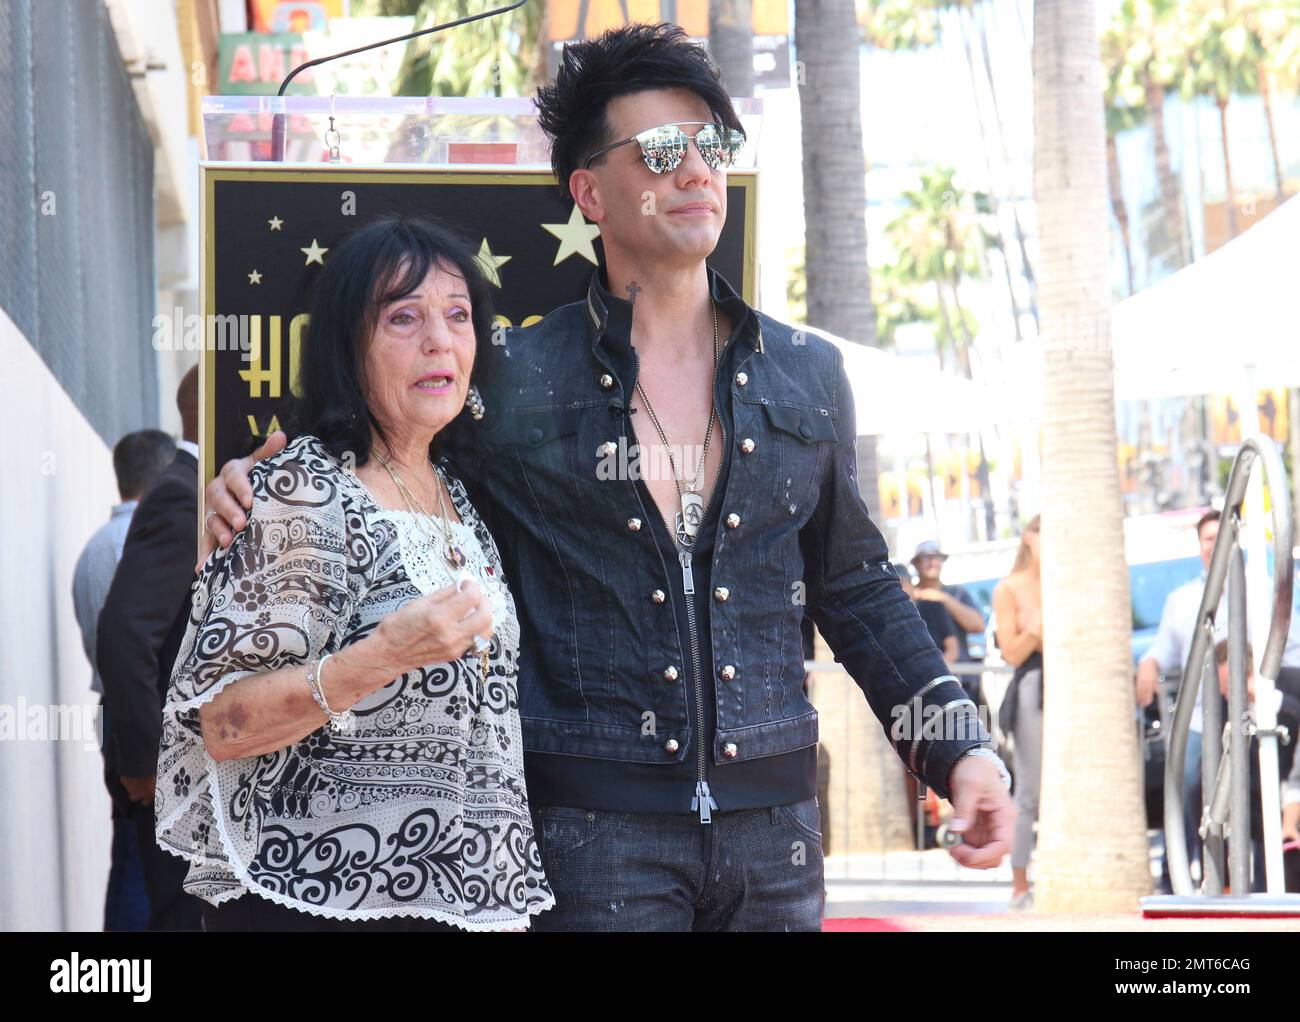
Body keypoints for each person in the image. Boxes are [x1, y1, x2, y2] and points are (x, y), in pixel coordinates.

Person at [202, 23, 1013, 932]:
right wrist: (248, 482)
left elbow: (858, 587)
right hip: (588, 840)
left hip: (778, 834)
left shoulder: (808, 373)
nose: (697, 169)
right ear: (589, 191)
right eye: (662, 149)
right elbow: (386, 464)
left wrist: (958, 749)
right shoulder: (509, 379)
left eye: (713, 145)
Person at [151, 217, 554, 931]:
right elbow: (224, 724)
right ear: (348, 346)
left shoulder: (463, 494)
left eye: (458, 315)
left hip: (458, 901)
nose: (440, 340)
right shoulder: (301, 490)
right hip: (315, 902)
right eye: (404, 316)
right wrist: (382, 657)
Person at [97, 370, 205, 931]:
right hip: (172, 782)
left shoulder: (190, 489)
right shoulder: (182, 496)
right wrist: (147, 767)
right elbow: (124, 632)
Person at [72, 428, 176, 931]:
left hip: (116, 715)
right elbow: (129, 644)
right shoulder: (149, 537)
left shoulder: (95, 547)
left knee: (129, 853)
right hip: (142, 722)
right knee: (144, 862)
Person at [1135, 509, 1225, 877]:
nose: (1214, 545)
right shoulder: (1183, 599)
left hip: (1252, 712)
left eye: (1221, 536)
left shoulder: (1260, 586)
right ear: (1199, 546)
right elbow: (1163, 649)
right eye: (1207, 539)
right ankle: (1178, 871)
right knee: (1185, 783)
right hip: (1201, 712)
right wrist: (1148, 664)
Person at [1211, 639, 1300, 892]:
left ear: (1248, 674)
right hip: (1257, 802)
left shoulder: (1291, 688)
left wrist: (1271, 702)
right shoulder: (1223, 706)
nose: (1225, 693)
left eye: (1228, 685)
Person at [992, 515, 1042, 910]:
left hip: (1074, 686)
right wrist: (1036, 630)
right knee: (1029, 790)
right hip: (1032, 685)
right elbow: (1010, 652)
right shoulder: (1010, 588)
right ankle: (1020, 882)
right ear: (1029, 536)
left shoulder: (1071, 581)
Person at [912, 540, 986, 700]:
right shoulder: (909, 599)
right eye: (926, 558)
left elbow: (978, 625)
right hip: (921, 683)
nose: (932, 562)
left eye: (936, 558)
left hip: (960, 681)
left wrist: (943, 599)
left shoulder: (957, 594)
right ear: (916, 564)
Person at [894, 562, 958, 663]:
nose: (901, 590)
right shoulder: (888, 617)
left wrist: (938, 671)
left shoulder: (934, 607)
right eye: (895, 587)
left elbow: (952, 649)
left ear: (911, 585)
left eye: (904, 583)